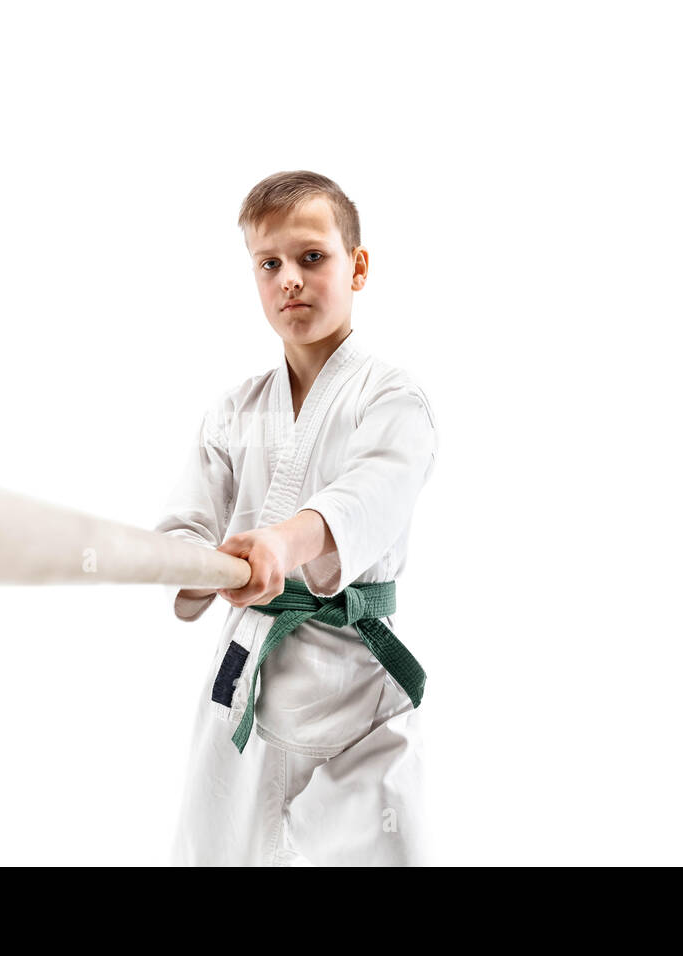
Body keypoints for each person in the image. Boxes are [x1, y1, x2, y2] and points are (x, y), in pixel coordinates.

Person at [154, 170, 439, 866]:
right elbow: (183, 533)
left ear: (357, 266)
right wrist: (198, 570)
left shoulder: (394, 399)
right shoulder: (233, 412)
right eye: (269, 263)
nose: (291, 279)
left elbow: (367, 495)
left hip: (358, 694)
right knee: (224, 851)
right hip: (249, 678)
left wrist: (282, 544)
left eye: (312, 257)